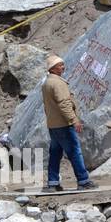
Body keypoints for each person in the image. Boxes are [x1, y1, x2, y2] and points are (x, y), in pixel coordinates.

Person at [42, 55, 94, 192]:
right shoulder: (58, 83)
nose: (63, 67)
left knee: (55, 153)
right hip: (64, 125)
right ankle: (83, 181)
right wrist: (74, 120)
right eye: (60, 65)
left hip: (53, 125)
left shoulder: (47, 83)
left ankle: (53, 183)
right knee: (75, 152)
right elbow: (64, 104)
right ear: (53, 68)